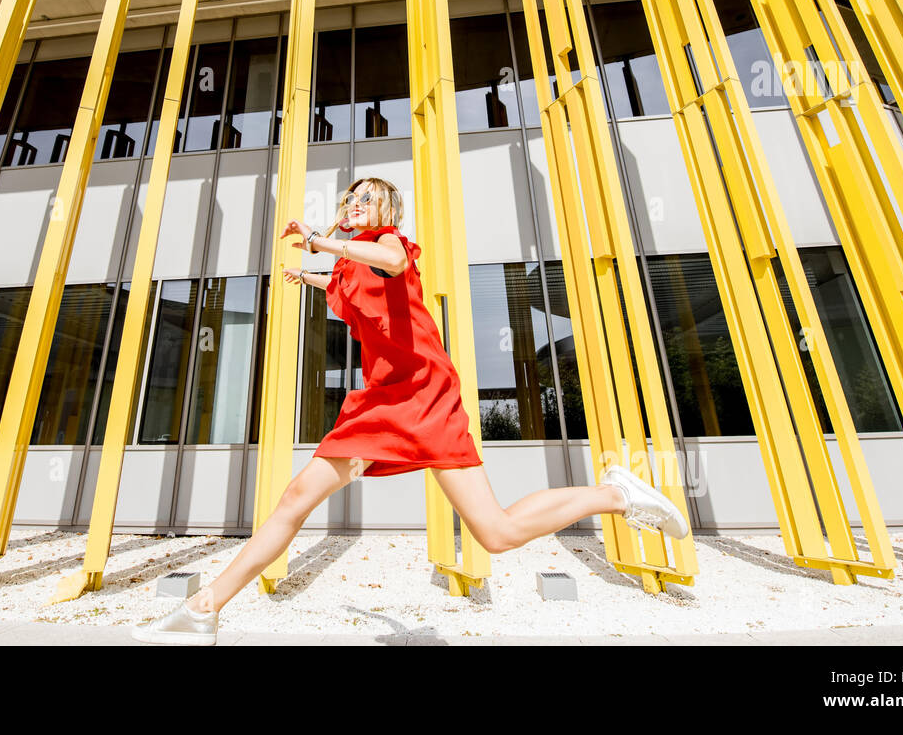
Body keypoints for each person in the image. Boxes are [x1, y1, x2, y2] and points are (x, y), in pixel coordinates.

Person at [134, 177, 688, 645]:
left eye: (369, 199)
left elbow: (389, 261)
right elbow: (349, 288)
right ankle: (203, 610)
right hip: (381, 403)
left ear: (387, 212)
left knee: (493, 532)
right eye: (350, 198)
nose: (356, 204)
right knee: (297, 499)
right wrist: (308, 276)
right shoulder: (351, 267)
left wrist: (322, 244)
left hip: (424, 397)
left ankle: (615, 495)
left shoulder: (390, 245)